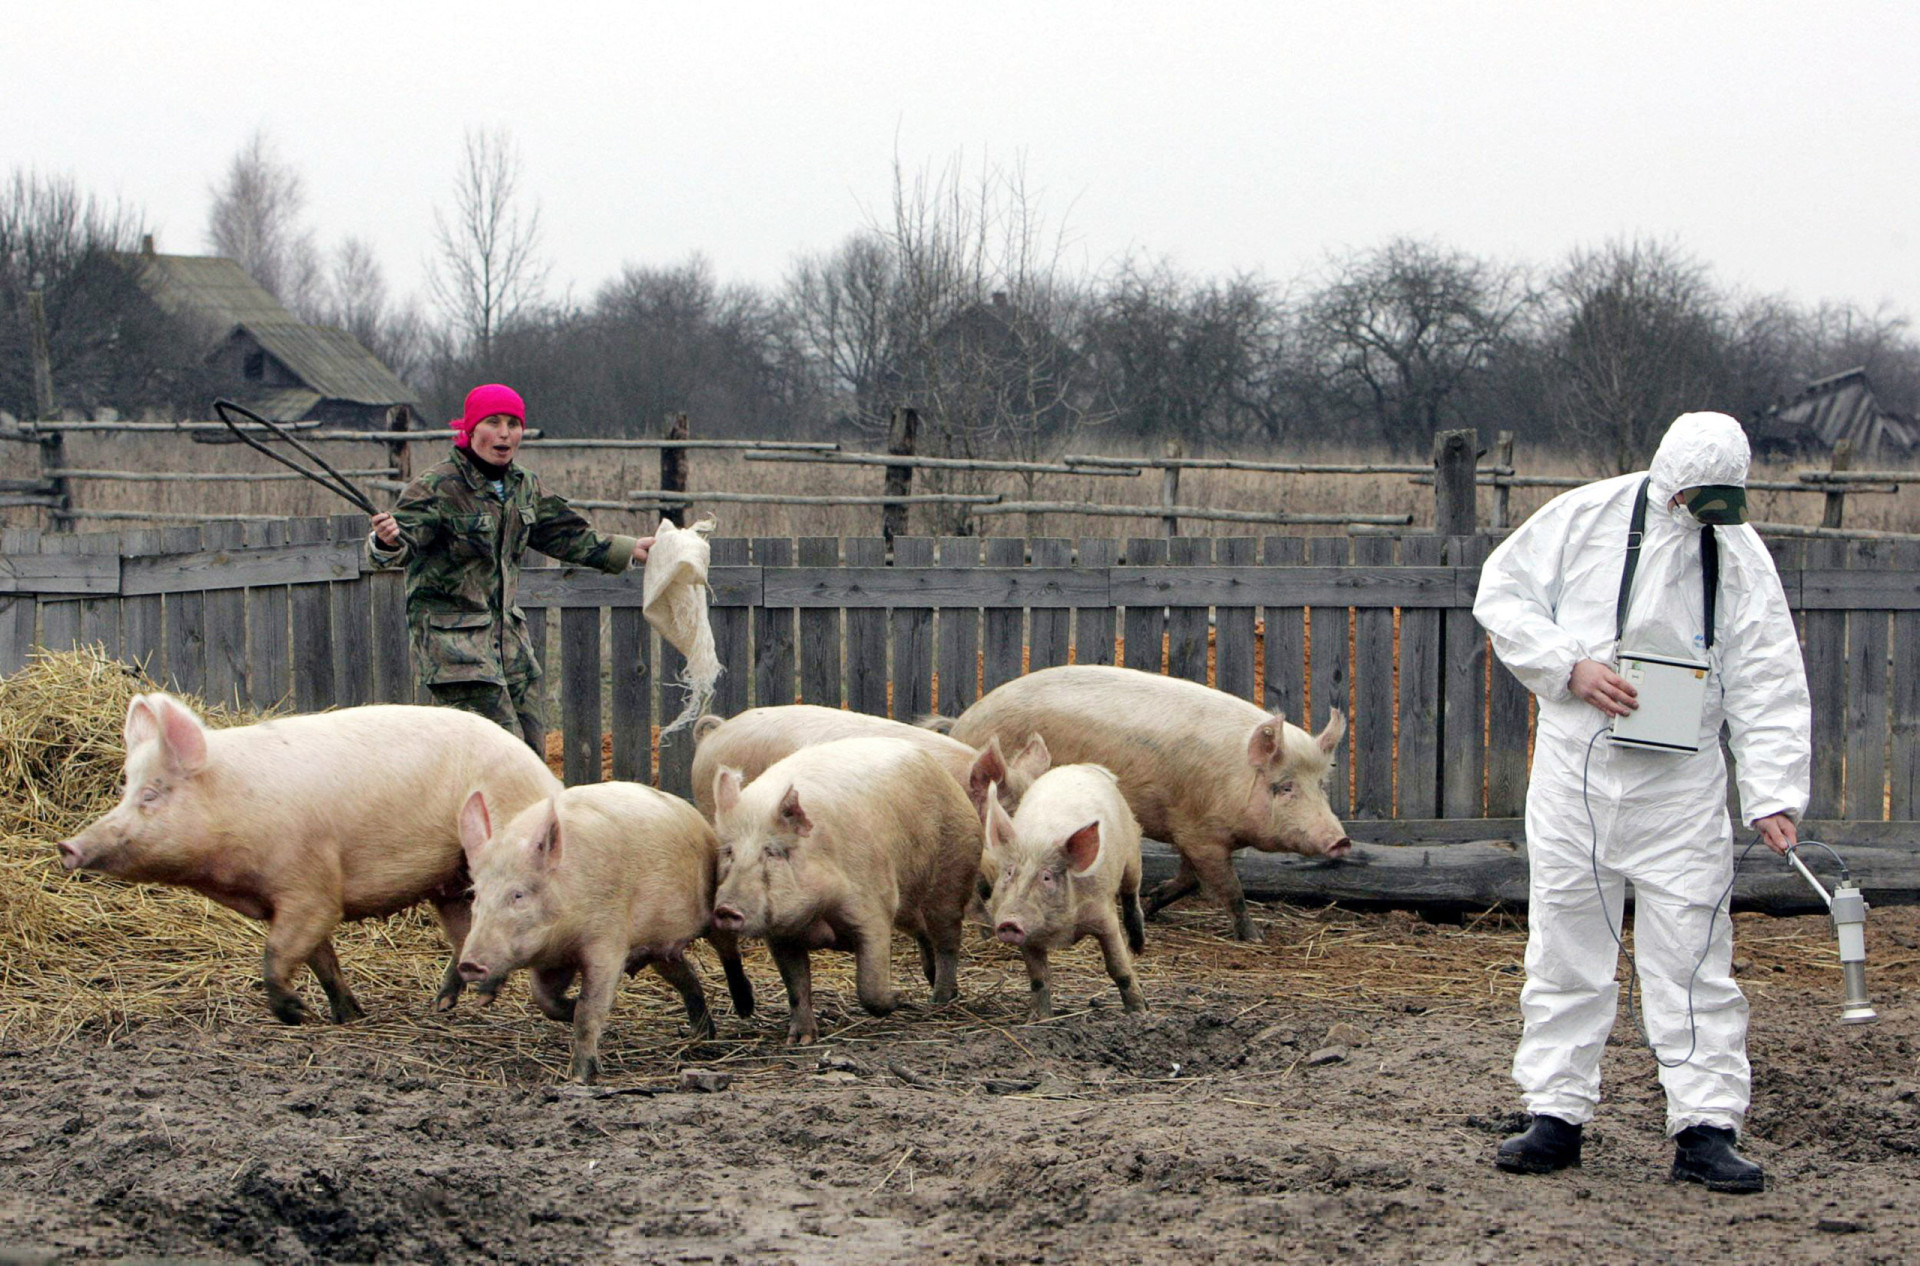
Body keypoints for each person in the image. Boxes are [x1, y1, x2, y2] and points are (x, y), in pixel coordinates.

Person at [1472, 411, 1811, 1194]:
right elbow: (1504, 592)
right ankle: (1555, 1114)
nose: (1707, 513)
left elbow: (1767, 675)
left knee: (1692, 957)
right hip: (1576, 775)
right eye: (1698, 497)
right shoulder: (1584, 517)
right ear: (1670, 479)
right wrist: (1571, 667)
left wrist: (1772, 791)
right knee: (1564, 943)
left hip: (1681, 787)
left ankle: (1705, 1128)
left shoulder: (1739, 553)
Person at [367, 383, 653, 751]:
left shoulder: (524, 485)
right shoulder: (435, 487)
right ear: (470, 430)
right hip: (457, 653)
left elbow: (570, 536)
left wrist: (632, 550)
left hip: (511, 648)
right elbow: (392, 549)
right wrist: (385, 540)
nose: (504, 433)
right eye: (493, 422)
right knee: (500, 757)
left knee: (532, 751)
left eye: (513, 423)